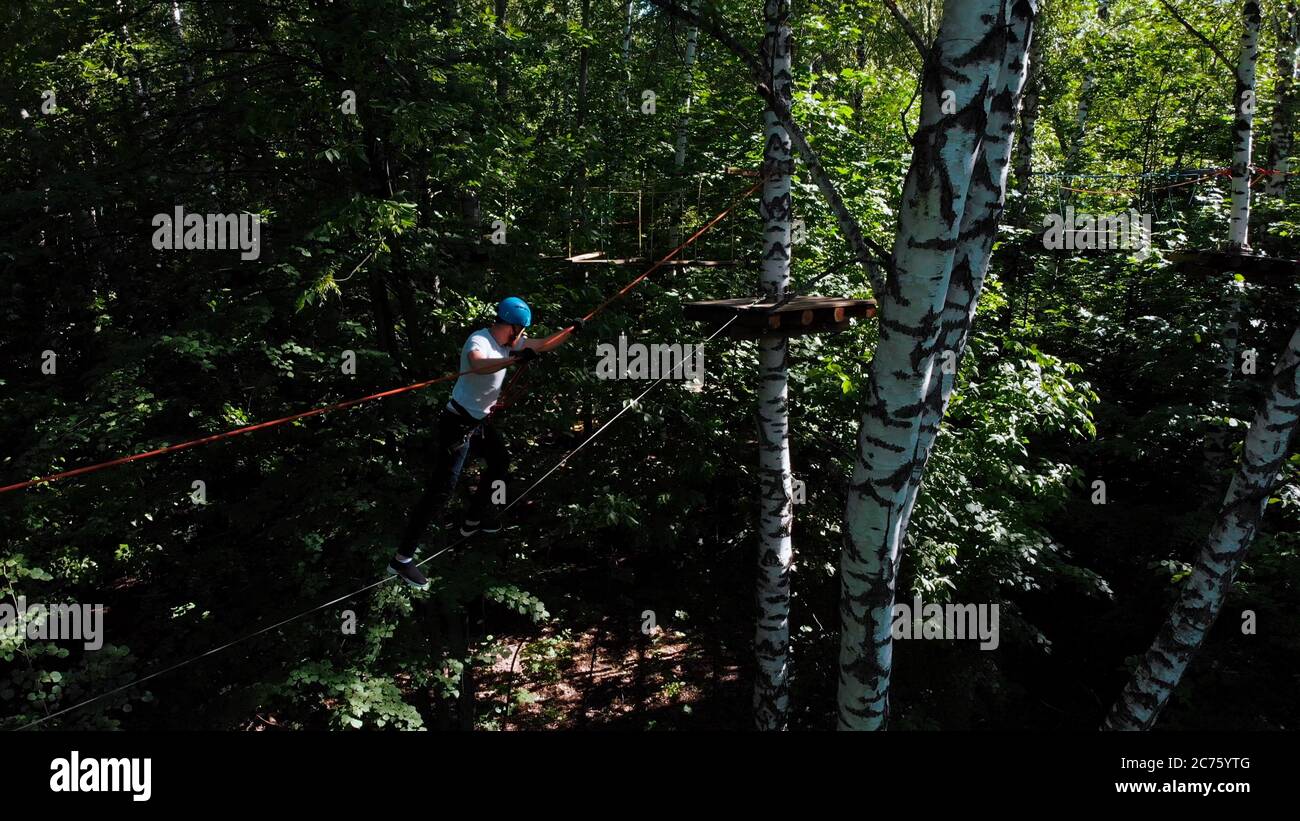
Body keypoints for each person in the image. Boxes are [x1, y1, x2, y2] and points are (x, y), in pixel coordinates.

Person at [388, 297, 580, 589]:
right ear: (513, 326)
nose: (522, 335)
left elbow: (540, 344)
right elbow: (478, 366)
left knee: (500, 462)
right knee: (441, 492)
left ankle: (474, 519)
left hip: (478, 424)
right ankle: (401, 559)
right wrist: (514, 359)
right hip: (456, 425)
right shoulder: (479, 340)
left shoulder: (509, 343)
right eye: (521, 330)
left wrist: (570, 332)